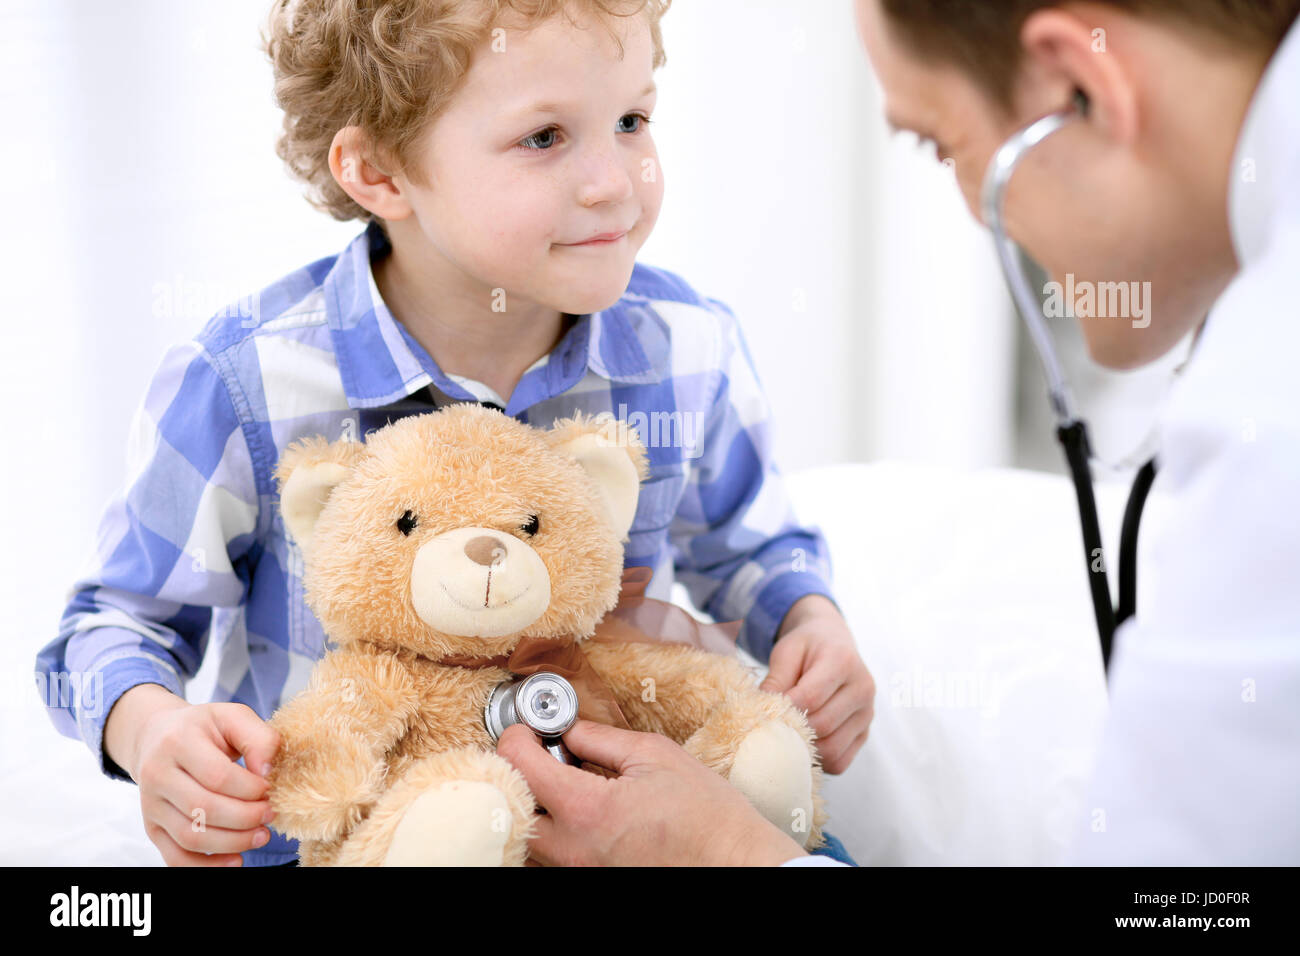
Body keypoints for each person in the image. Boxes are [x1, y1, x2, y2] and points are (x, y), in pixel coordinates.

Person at [32, 0, 875, 867]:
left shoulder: (686, 349)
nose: (615, 182)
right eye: (544, 137)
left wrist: (811, 622)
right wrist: (152, 732)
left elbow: (753, 551)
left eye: (631, 120)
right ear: (380, 171)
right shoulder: (248, 381)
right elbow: (113, 625)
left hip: (598, 833)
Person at [498, 0, 1300, 865]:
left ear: (1081, 86)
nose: (972, 212)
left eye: (940, 143)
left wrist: (728, 850)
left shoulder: (1268, 421)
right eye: (544, 137)